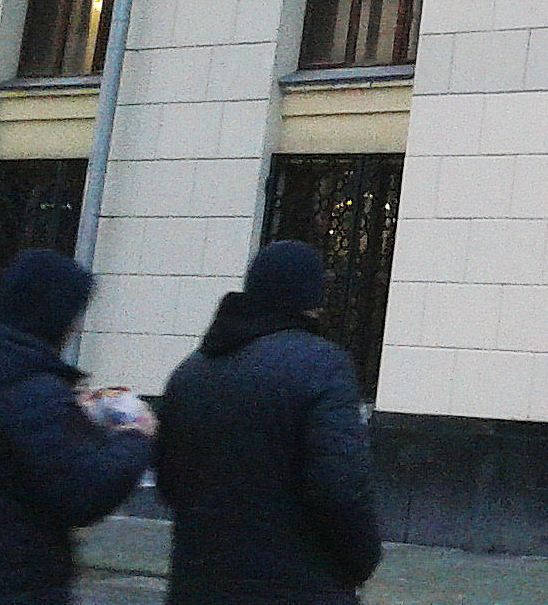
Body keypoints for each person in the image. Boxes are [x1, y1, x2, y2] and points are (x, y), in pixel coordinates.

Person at [0, 249, 156, 605]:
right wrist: (136, 437)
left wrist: (68, 415)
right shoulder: (31, 391)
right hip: (9, 587)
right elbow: (85, 494)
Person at [155, 241, 382, 605]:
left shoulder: (190, 373)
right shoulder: (323, 366)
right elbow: (339, 488)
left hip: (199, 583)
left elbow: (169, 483)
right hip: (298, 585)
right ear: (310, 300)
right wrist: (362, 560)